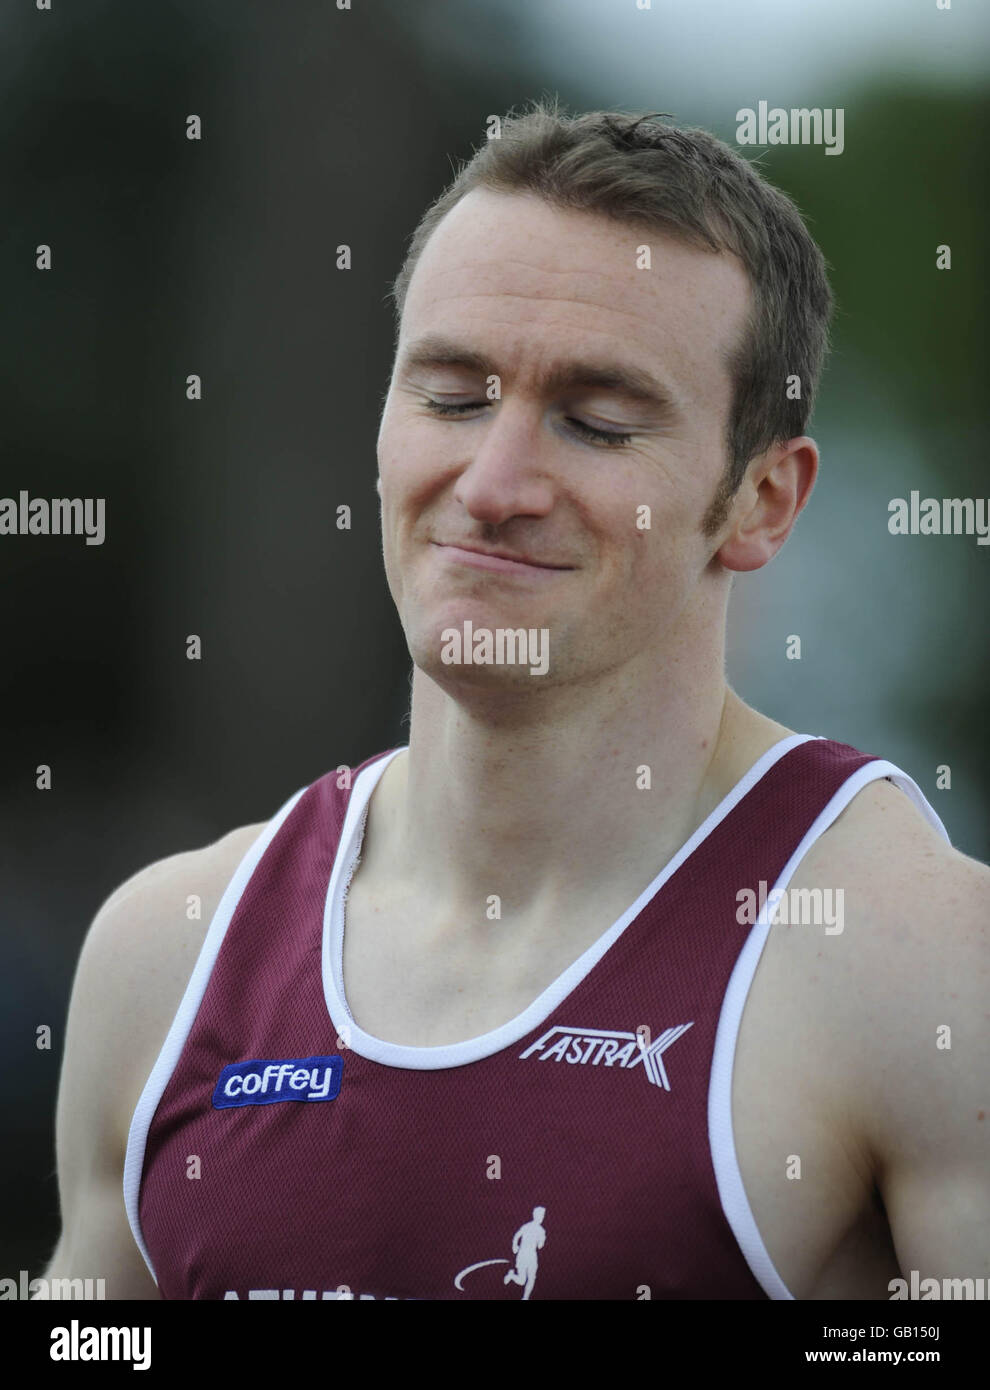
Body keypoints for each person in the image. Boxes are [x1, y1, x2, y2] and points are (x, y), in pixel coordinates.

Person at [40, 100, 988, 1301]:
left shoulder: (917, 964)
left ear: (762, 501)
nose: (493, 485)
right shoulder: (166, 954)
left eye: (595, 423)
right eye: (449, 398)